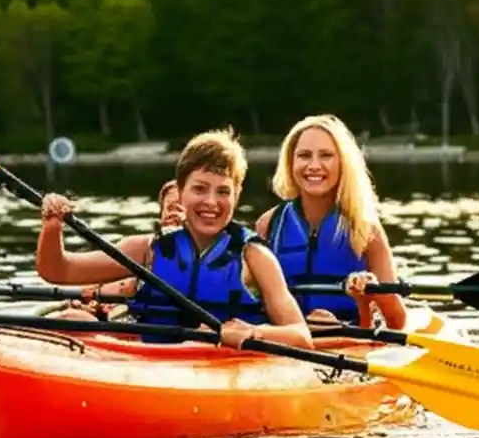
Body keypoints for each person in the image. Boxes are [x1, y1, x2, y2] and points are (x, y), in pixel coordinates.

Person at [36, 129, 313, 350]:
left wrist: (254, 331)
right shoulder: (147, 250)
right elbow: (58, 270)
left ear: (237, 195)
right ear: (180, 192)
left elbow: (301, 336)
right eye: (200, 189)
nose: (211, 202)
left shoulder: (254, 257)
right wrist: (52, 227)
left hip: (223, 368)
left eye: (223, 192)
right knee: (73, 319)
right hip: (152, 364)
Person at [255, 114, 407, 329]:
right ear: (291, 162)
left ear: (342, 163)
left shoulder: (366, 229)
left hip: (351, 340)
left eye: (326, 155)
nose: (314, 165)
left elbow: (397, 322)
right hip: (290, 341)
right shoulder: (269, 225)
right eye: (304, 156)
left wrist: (374, 291)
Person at [43, 179, 183, 322]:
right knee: (72, 317)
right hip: (133, 334)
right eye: (171, 208)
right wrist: (53, 223)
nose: (175, 214)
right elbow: (56, 269)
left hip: (191, 334)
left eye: (183, 208)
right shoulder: (144, 248)